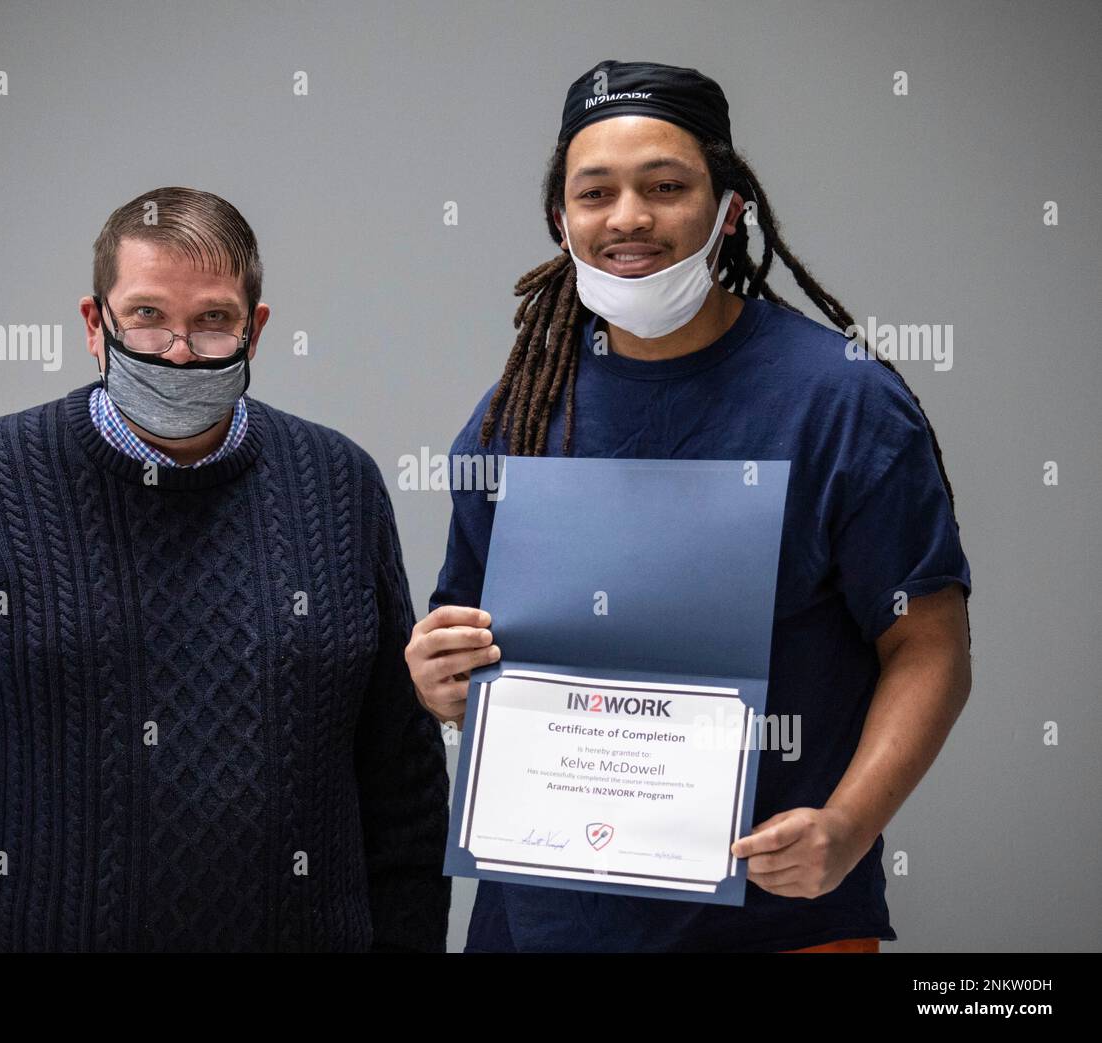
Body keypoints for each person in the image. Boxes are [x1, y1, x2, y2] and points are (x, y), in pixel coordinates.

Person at [405, 61, 972, 953]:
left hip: (778, 919)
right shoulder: (515, 414)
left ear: (729, 208)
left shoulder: (837, 400)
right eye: (595, 193)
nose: (628, 216)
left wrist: (849, 827)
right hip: (546, 920)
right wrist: (440, 677)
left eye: (666, 186)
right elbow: (470, 646)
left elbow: (930, 645)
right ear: (562, 220)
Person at [0, 186, 450, 952]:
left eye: (212, 320)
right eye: (148, 316)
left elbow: (404, 784)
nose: (179, 351)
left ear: (254, 329)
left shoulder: (339, 486)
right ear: (97, 325)